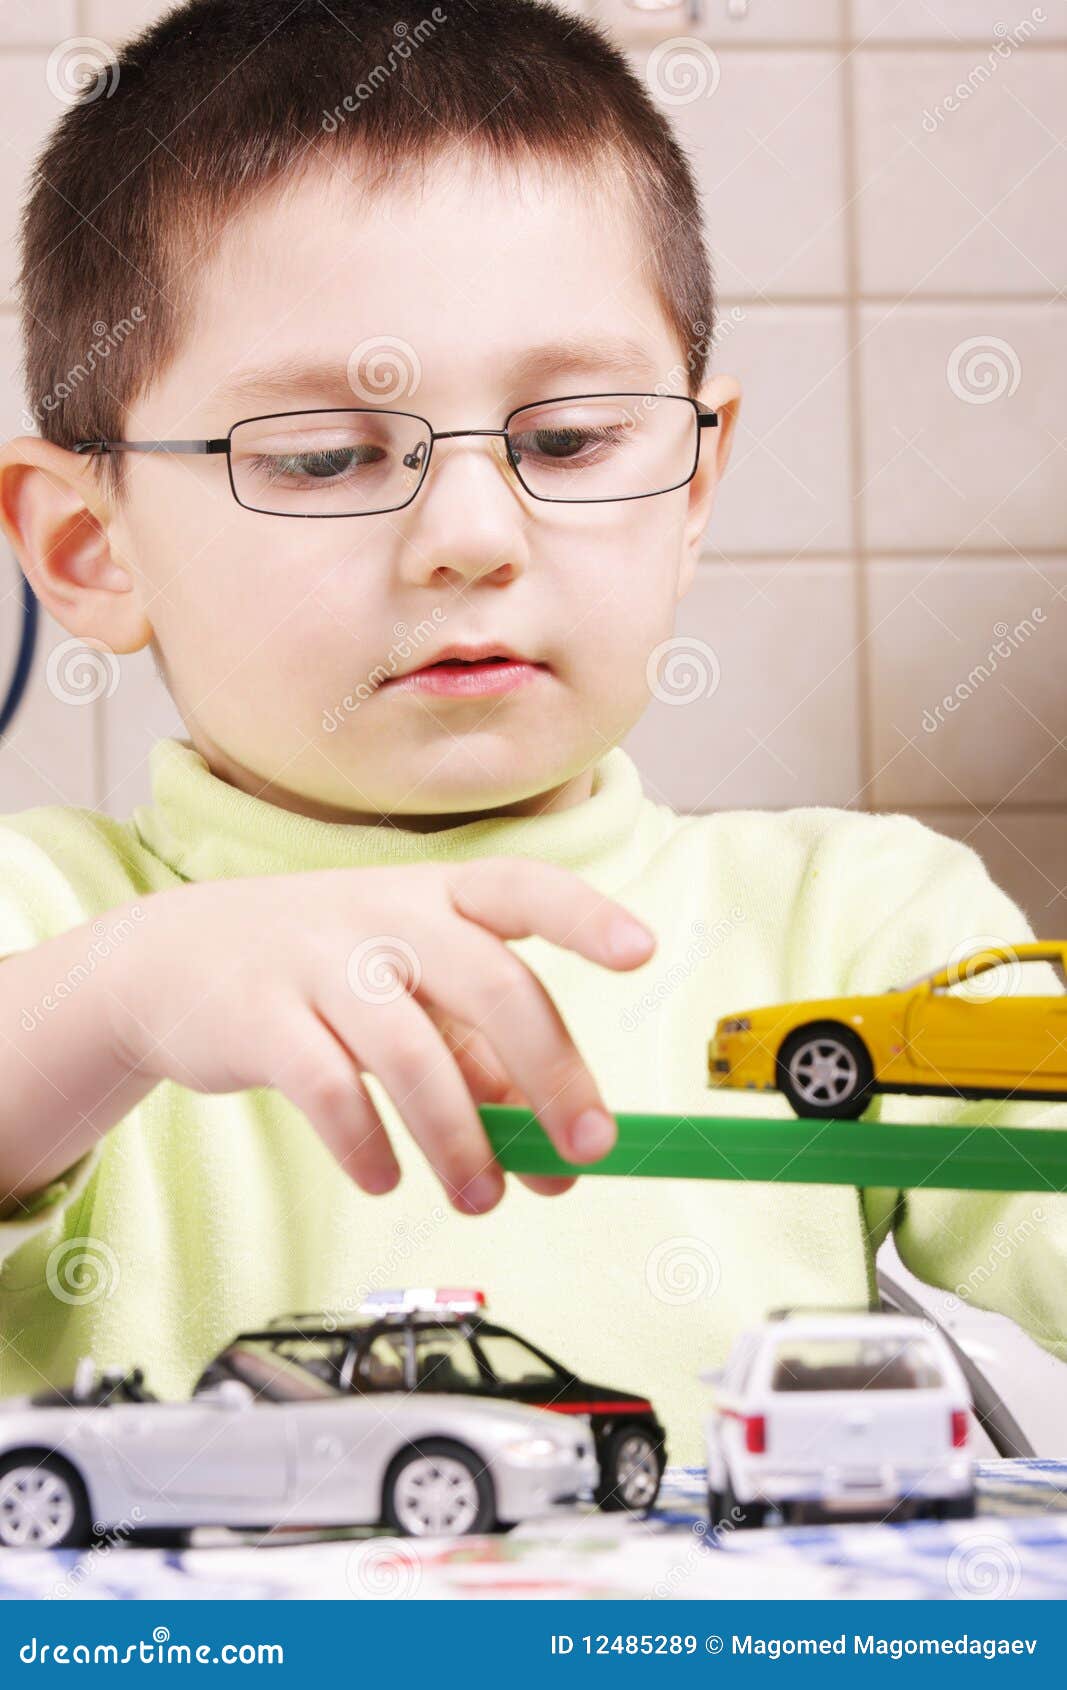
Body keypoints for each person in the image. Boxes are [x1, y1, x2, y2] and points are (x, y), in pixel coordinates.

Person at [0, 0, 1063, 1466]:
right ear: (88, 546)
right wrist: (117, 999)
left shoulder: (860, 930)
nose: (471, 535)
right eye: (322, 456)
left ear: (692, 484)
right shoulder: (46, 922)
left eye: (566, 441)